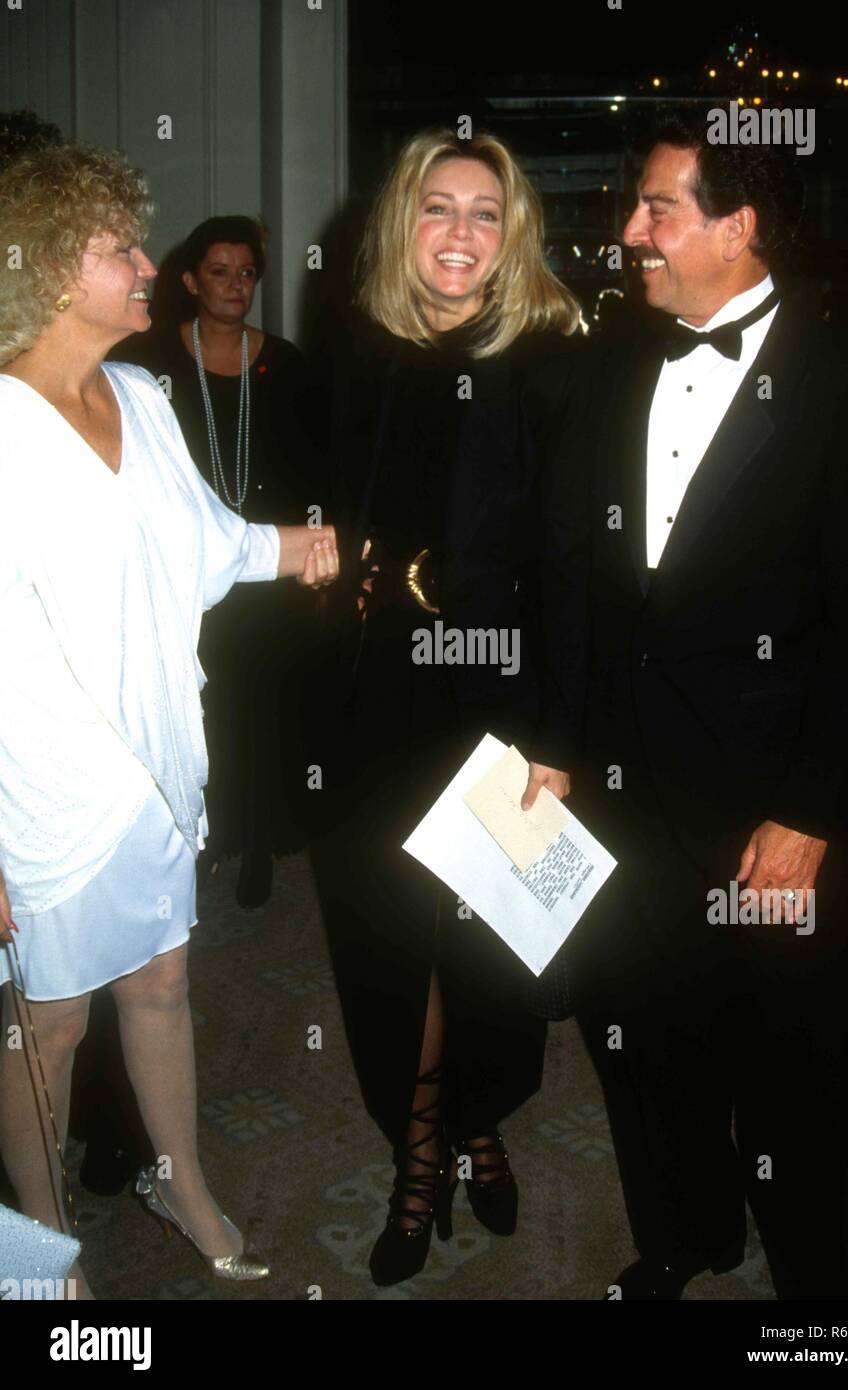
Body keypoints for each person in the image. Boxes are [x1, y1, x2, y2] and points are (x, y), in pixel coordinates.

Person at [571, 114, 848, 1299]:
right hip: (623, 791)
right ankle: (685, 1233)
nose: (630, 232)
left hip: (765, 802)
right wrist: (563, 750)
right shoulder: (616, 358)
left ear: (738, 226)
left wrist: (812, 809)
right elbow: (590, 587)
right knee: (643, 1039)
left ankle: (816, 1285)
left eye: (656, 210)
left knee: (792, 1065)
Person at [0, 140, 338, 1297]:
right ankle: (42, 1249)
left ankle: (178, 1177)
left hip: (156, 758)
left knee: (160, 988)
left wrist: (297, 548)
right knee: (44, 1032)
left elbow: (199, 540)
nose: (149, 263)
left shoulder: (141, 394)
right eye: (117, 250)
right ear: (46, 271)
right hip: (42, 790)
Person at [311, 128, 587, 1287]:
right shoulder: (350, 348)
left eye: (486, 211)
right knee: (386, 936)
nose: (461, 233)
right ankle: (417, 1153)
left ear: (511, 231)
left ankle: (478, 1117)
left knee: (485, 936)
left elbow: (584, 564)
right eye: (439, 207)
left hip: (501, 689)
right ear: (401, 223)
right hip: (373, 689)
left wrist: (561, 735)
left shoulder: (555, 355)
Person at [117, 216, 320, 908]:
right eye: (219, 272)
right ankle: (210, 838)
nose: (235, 286)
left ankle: (260, 841)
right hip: (187, 572)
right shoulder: (150, 364)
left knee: (265, 709)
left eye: (246, 273)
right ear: (189, 281)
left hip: (271, 570)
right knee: (206, 709)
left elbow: (312, 472)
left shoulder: (285, 363)